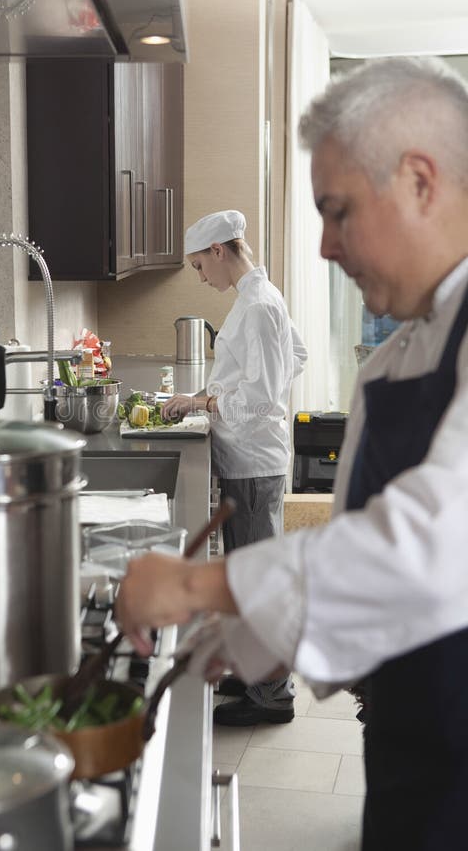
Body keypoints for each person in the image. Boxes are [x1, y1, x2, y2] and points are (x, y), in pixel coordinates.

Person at [116, 55, 468, 851]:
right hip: (412, 736)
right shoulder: (403, 351)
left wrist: (197, 583)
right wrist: (238, 639)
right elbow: (364, 544)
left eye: (339, 212)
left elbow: (431, 541)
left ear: (420, 181)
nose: (325, 247)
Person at [160, 209, 307, 726]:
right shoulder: (257, 298)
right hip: (249, 456)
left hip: (254, 461)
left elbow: (262, 398)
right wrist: (223, 394)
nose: (201, 278)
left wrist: (204, 401)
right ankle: (254, 675)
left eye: (200, 266)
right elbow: (298, 355)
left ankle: (274, 695)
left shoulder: (259, 305)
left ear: (219, 251)